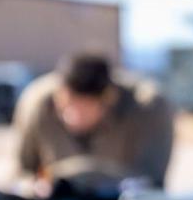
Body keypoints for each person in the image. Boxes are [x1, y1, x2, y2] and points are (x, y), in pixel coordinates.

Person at [13, 52, 176, 190]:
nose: (72, 116)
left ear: (108, 99)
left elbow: (151, 183)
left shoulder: (148, 108)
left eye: (85, 108)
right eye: (67, 105)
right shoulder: (37, 103)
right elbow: (22, 174)